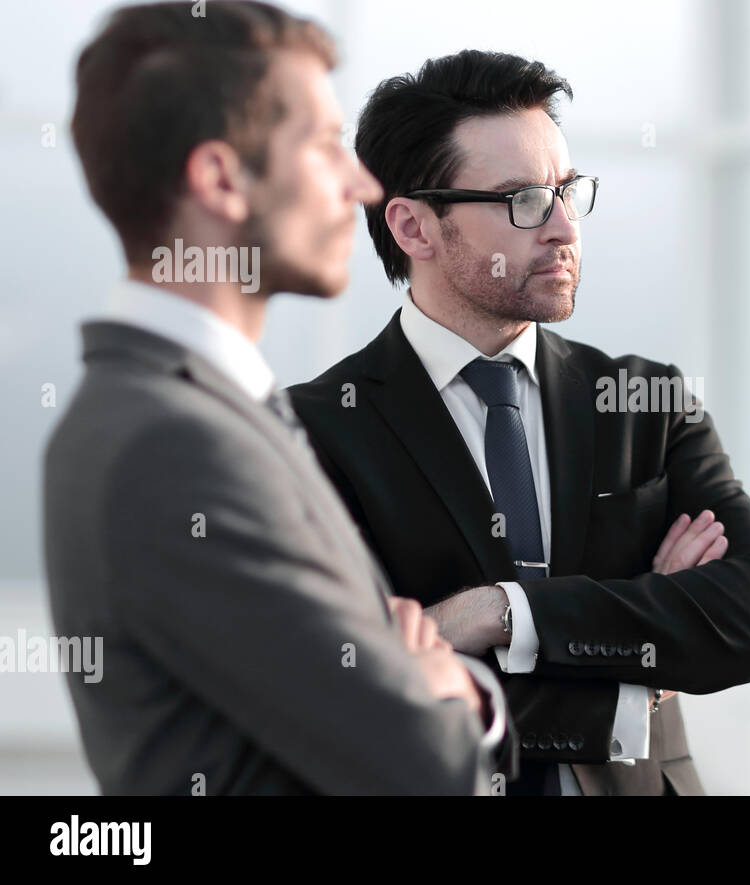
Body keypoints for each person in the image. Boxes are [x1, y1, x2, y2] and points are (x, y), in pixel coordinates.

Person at [288, 50, 750, 795]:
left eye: (566, 190)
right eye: (523, 198)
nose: (563, 227)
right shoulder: (318, 429)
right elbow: (349, 684)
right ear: (414, 226)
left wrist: (499, 613)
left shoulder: (645, 401)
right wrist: (638, 657)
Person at [43, 1, 510, 795]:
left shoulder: (182, 408)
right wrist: (460, 688)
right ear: (221, 178)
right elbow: (422, 765)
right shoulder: (177, 443)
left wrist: (416, 676)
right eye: (328, 146)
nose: (362, 184)